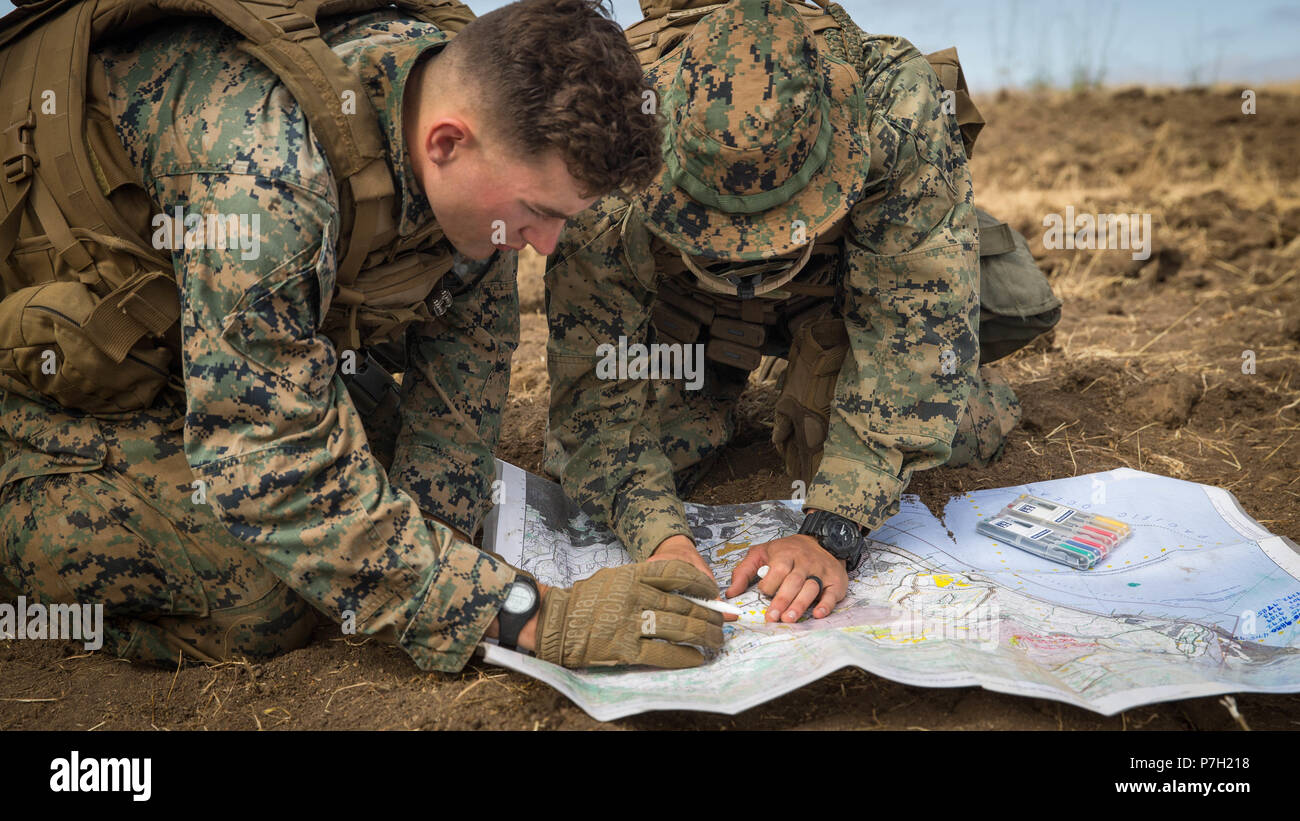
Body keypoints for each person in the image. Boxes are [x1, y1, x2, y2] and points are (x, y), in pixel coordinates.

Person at [0, 0, 722, 672]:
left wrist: (442, 581)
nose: (546, 245)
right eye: (537, 212)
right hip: (47, 377)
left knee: (375, 512)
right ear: (446, 142)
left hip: (187, 346)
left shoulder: (472, 155)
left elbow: (452, 433)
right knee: (263, 600)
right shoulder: (267, 179)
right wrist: (532, 617)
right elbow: (266, 471)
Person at [544, 0, 1060, 625]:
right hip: (689, 317)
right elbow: (595, 396)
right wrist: (663, 542)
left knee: (900, 441)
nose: (751, 251)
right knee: (639, 466)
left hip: (838, 296)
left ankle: (877, 384)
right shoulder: (610, 139)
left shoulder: (891, 101)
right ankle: (719, 383)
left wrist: (831, 532)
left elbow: (912, 323)